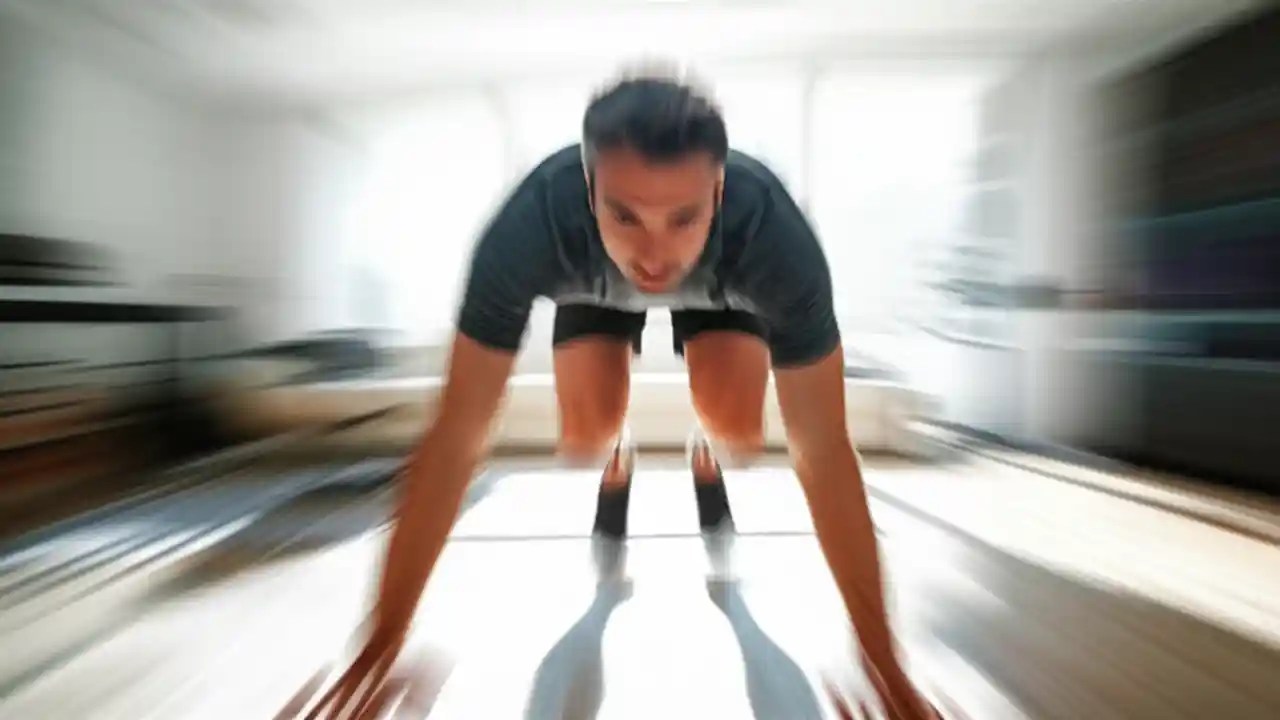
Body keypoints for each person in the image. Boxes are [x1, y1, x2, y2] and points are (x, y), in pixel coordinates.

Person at [304, 72, 939, 720]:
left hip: (723, 292)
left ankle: (704, 449)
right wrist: (380, 641)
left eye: (683, 216)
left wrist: (884, 661)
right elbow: (456, 435)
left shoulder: (773, 236)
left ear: (719, 192)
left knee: (739, 432)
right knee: (586, 436)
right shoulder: (530, 227)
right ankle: (621, 451)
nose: (654, 253)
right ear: (588, 189)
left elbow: (823, 449)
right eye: (625, 213)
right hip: (591, 290)